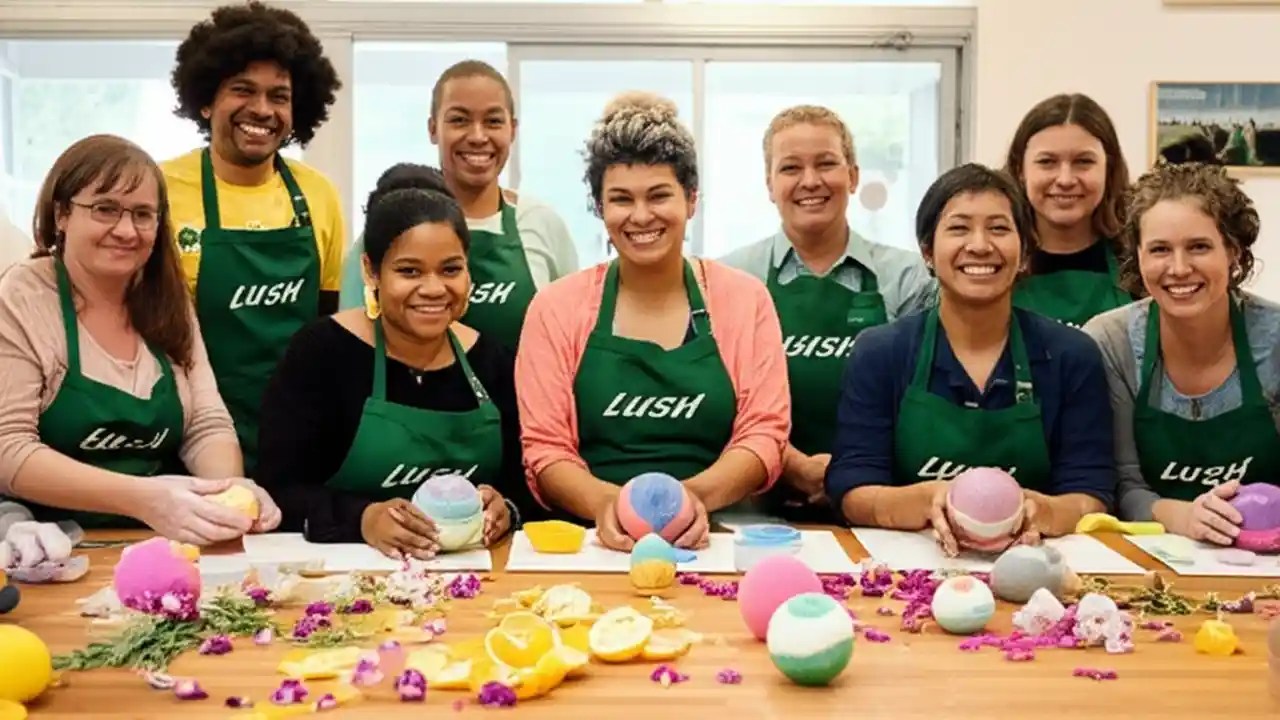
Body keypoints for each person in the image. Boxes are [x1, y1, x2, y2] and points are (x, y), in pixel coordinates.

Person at [516, 92, 790, 551]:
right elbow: (545, 448)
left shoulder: (744, 300)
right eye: (620, 199)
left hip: (715, 540)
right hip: (593, 544)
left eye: (659, 195)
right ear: (600, 209)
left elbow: (765, 432)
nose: (641, 216)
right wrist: (609, 506)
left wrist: (691, 502)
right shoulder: (556, 308)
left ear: (691, 200)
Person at [0, 134, 280, 545]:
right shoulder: (22, 297)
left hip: (158, 544)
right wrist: (143, 499)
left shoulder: (168, 298)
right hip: (45, 547)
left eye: (143, 214)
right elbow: (8, 450)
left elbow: (205, 424)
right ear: (61, 213)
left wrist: (227, 494)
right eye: (105, 209)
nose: (126, 230)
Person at [825, 163, 1113, 555]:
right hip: (911, 565)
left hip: (1036, 569)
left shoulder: (1070, 354)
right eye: (959, 228)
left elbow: (1091, 494)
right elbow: (852, 489)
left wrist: (1043, 510)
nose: (979, 245)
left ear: (1025, 252)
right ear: (927, 251)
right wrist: (925, 501)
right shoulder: (881, 352)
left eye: (998, 228)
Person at [257, 177, 527, 558]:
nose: (434, 289)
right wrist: (362, 519)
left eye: (450, 270)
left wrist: (507, 509)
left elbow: (524, 485)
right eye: (410, 271)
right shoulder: (323, 353)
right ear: (371, 271)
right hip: (344, 579)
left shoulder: (490, 360)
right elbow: (277, 489)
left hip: (474, 580)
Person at [720, 105, 934, 520]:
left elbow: (921, 401)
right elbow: (719, 398)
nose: (810, 181)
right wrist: (794, 465)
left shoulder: (907, 279)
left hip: (880, 509)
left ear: (852, 176)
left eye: (827, 163)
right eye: (790, 168)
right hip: (755, 512)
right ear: (769, 184)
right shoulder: (730, 277)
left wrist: (849, 474)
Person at [162, 1, 346, 473]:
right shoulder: (160, 189)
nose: (262, 110)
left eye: (279, 96)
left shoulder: (318, 194)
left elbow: (329, 326)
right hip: (188, 435)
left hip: (298, 434)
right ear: (206, 99)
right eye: (242, 90)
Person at [1083, 162, 1280, 546]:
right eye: (1159, 249)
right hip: (1152, 558)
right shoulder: (1112, 342)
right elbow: (1122, 484)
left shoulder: (1275, 341)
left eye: (1199, 247)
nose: (1178, 268)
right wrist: (1187, 517)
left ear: (1234, 253)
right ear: (1137, 257)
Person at [340, 60, 577, 350]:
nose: (478, 136)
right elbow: (350, 341)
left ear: (512, 130)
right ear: (432, 128)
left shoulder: (542, 223)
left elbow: (571, 339)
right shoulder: (391, 223)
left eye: (493, 121)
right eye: (459, 120)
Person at [1004, 93, 1133, 328]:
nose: (1065, 179)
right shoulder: (995, 262)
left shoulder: (1141, 264)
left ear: (1109, 168)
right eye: (1047, 162)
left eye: (1083, 161)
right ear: (1019, 169)